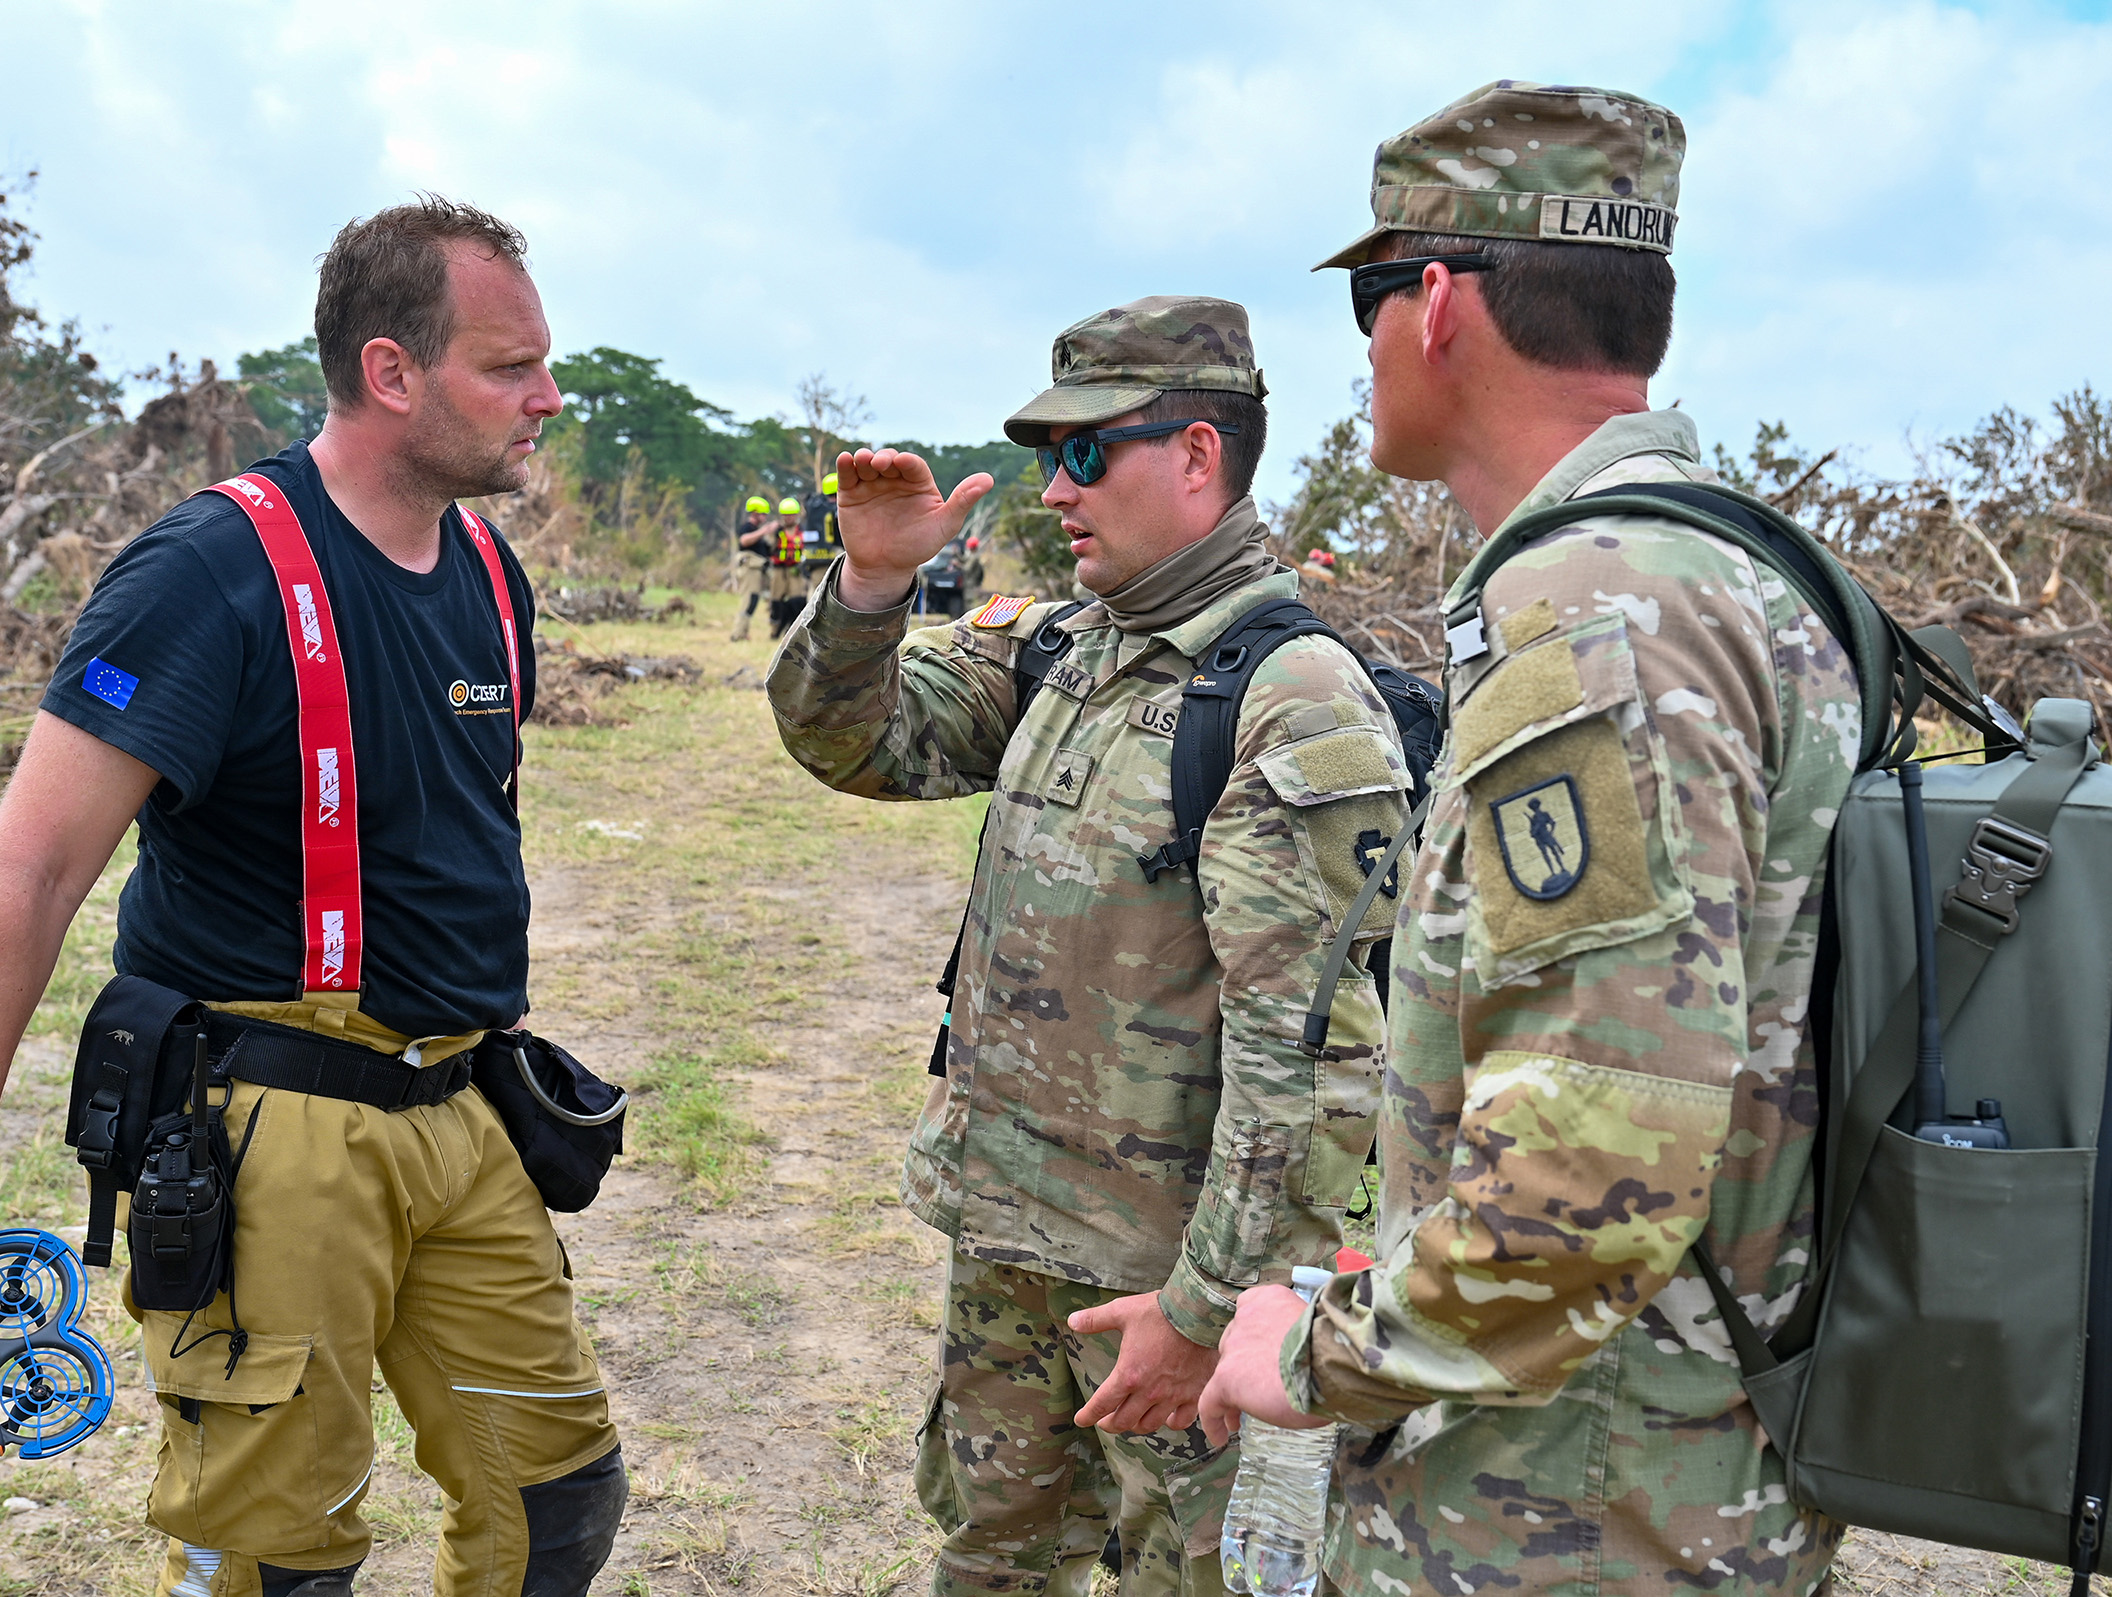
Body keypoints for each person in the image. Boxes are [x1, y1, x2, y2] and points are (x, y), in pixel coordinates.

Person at [0, 198, 626, 1597]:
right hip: (276, 1134)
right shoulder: (208, 573)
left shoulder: (491, 571)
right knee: (278, 1556)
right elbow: (27, 876)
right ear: (393, 372)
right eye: (510, 367)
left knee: (557, 1494)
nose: (546, 397)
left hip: (466, 1106)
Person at [1197, 81, 1856, 1596]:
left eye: (1367, 296)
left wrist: (1311, 1348)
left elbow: (1592, 1171)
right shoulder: (1727, 569)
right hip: (1654, 1466)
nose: (1361, 344)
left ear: (1434, 305)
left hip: (1570, 1509)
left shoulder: (1599, 606)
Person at [767, 296, 1412, 1596]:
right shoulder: (1064, 647)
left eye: (1085, 455)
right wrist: (875, 585)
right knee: (995, 1558)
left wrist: (1204, 1312)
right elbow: (851, 739)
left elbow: (1312, 1074)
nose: (1055, 489)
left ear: (1197, 458)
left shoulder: (1286, 705)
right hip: (1009, 1241)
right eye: (1047, 453)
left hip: (1157, 1284)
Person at [730, 494, 774, 642]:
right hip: (749, 571)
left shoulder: (756, 530)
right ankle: (737, 634)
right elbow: (744, 540)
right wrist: (764, 531)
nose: (765, 517)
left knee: (753, 601)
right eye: (763, 514)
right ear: (755, 513)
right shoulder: (747, 527)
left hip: (757, 572)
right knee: (747, 601)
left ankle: (744, 632)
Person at [764, 495, 809, 637]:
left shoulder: (803, 530)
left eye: (791, 515)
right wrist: (770, 533)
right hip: (779, 570)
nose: (788, 518)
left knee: (797, 601)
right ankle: (774, 631)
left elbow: (807, 548)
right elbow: (769, 547)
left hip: (796, 570)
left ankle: (794, 632)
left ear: (796, 515)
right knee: (776, 601)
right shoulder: (776, 530)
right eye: (786, 515)